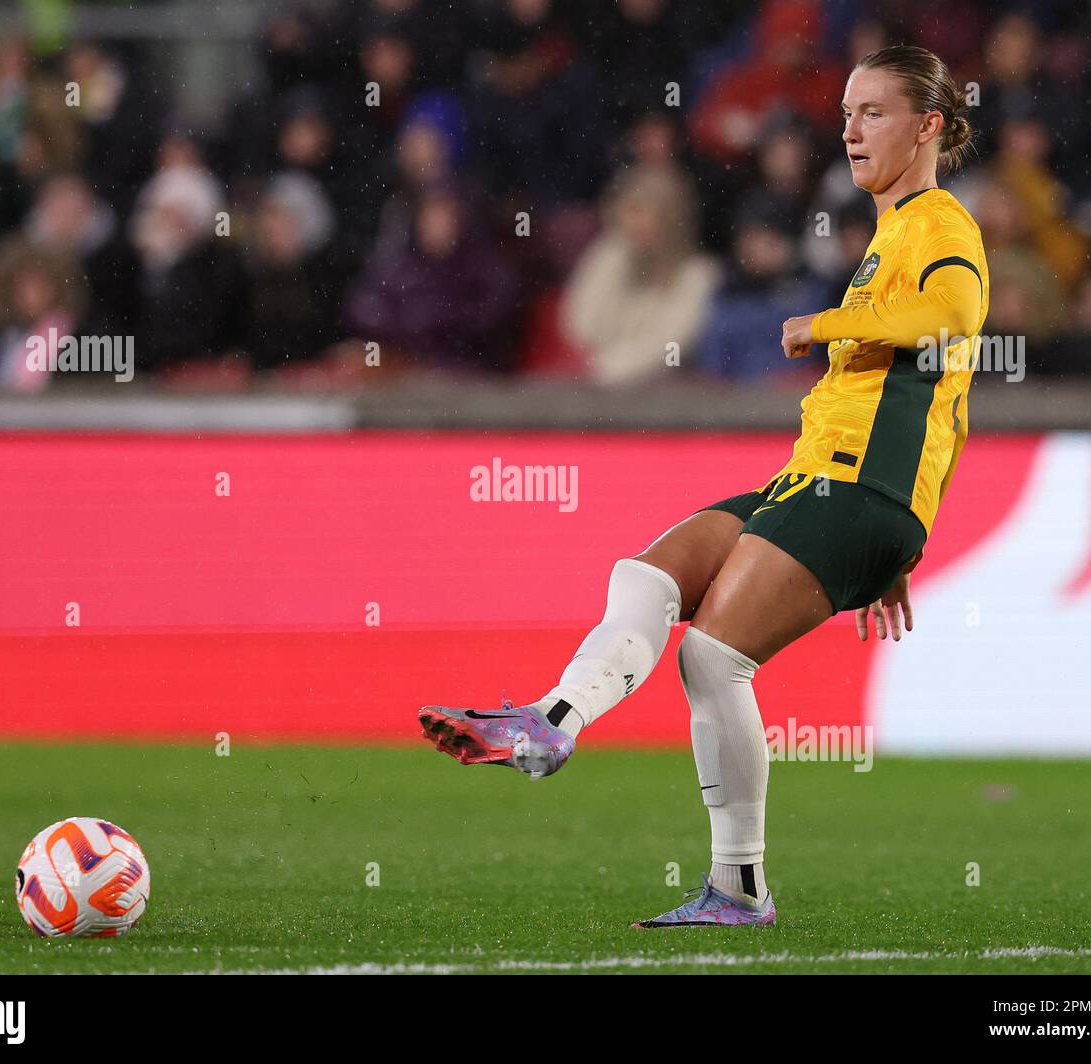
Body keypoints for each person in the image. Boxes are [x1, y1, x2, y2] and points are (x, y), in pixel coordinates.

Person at [419, 45, 989, 929]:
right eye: (845, 111)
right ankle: (550, 720)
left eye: (873, 112)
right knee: (647, 575)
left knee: (713, 655)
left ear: (931, 127)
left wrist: (833, 339)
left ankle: (740, 887)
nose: (848, 129)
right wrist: (900, 535)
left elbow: (953, 323)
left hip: (862, 491)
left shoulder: (940, 223)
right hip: (828, 484)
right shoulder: (888, 236)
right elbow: (945, 397)